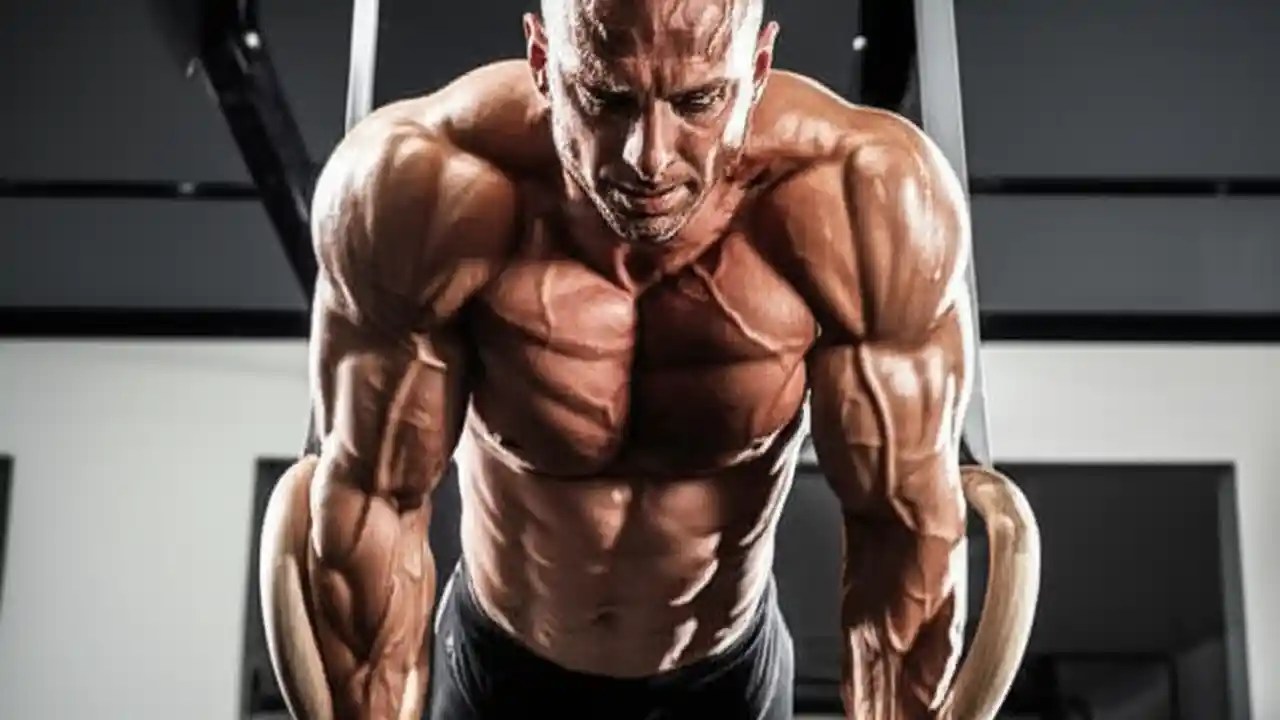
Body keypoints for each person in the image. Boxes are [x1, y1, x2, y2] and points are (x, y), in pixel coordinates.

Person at [257, 1, 1019, 718]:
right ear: (542, 60)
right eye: (606, 99)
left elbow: (901, 529)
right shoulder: (421, 188)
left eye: (697, 102)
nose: (648, 158)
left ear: (756, 70)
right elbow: (375, 508)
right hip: (502, 662)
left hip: (726, 674)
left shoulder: (864, 198)